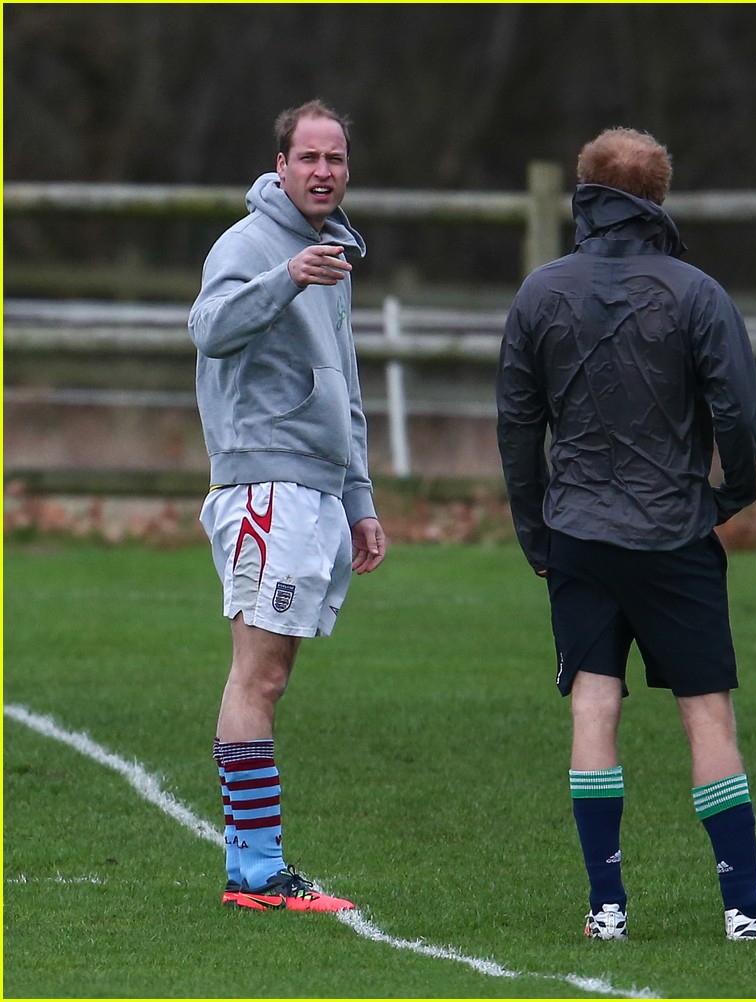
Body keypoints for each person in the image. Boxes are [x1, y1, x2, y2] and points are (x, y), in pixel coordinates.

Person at [496, 127, 756, 941]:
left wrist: (537, 531)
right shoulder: (696, 292)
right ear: (659, 199)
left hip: (576, 531)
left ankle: (606, 910)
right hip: (674, 530)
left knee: (593, 708)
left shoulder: (539, 293)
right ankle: (746, 910)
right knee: (707, 716)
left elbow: (515, 424)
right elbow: (738, 410)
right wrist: (730, 494)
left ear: (585, 193)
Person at [189, 99, 386, 912]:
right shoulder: (251, 245)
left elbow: (344, 382)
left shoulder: (330, 250)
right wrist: (285, 277)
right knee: (257, 678)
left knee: (270, 677)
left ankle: (254, 872)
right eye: (308, 158)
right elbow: (208, 328)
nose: (323, 171)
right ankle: (260, 875)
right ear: (281, 165)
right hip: (264, 485)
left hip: (314, 489)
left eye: (335, 158)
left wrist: (359, 496)